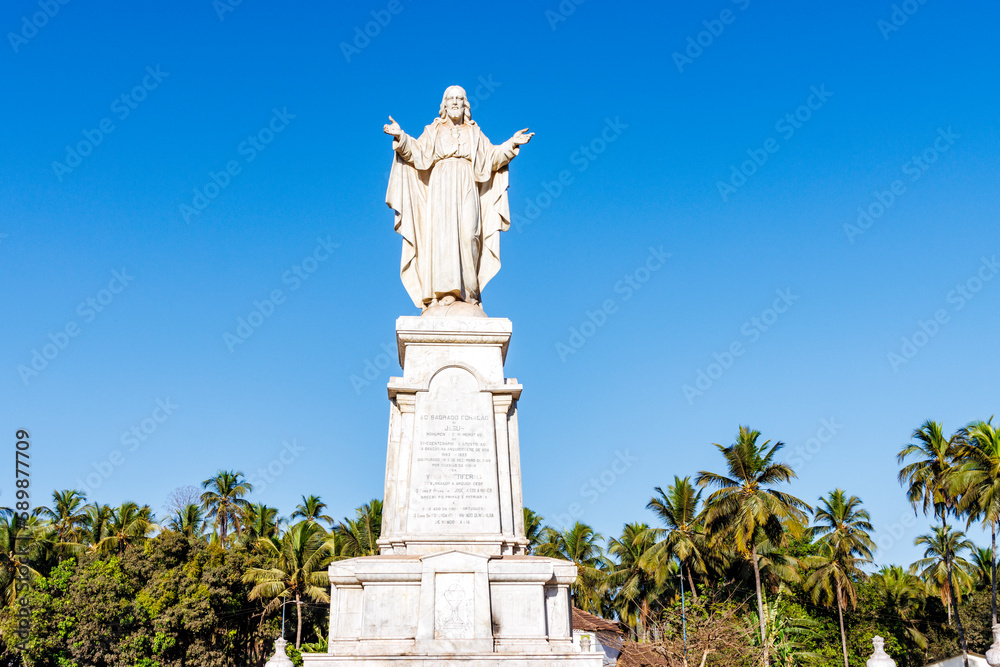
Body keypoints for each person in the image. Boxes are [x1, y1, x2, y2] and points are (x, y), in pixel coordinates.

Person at [384, 85, 533, 310]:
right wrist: (401, 136)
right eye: (450, 99)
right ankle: (446, 292)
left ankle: (469, 292)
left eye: (459, 99)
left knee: (469, 234)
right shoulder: (433, 130)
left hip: (467, 183)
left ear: (465, 105)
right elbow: (416, 152)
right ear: (444, 105)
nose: (455, 102)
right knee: (443, 237)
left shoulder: (474, 133)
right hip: (440, 185)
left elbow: (492, 157)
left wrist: (511, 144)